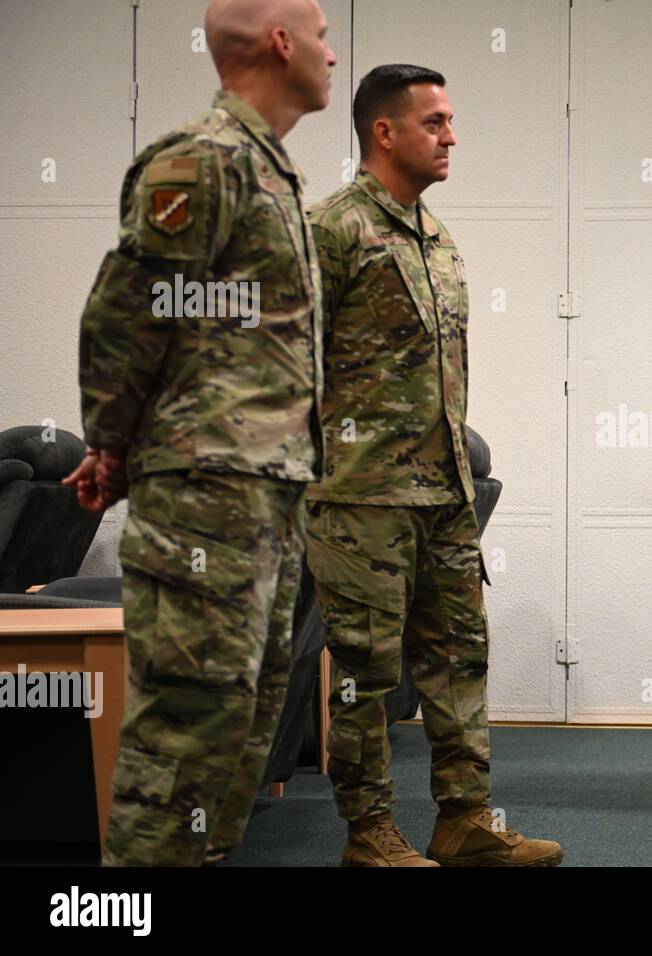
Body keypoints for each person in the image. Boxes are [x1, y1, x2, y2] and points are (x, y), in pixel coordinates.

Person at [64, 0, 336, 865]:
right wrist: (107, 443)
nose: (333, 54)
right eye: (323, 35)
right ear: (282, 43)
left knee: (240, 726)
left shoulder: (271, 168)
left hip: (264, 486)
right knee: (181, 734)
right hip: (205, 491)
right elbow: (126, 310)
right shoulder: (201, 160)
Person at [306, 64, 563, 866]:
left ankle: (465, 821)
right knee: (367, 672)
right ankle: (369, 833)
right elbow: (283, 361)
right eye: (436, 122)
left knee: (458, 664)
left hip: (443, 490)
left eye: (451, 122)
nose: (452, 136)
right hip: (362, 499)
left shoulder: (435, 235)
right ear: (384, 131)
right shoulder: (332, 230)